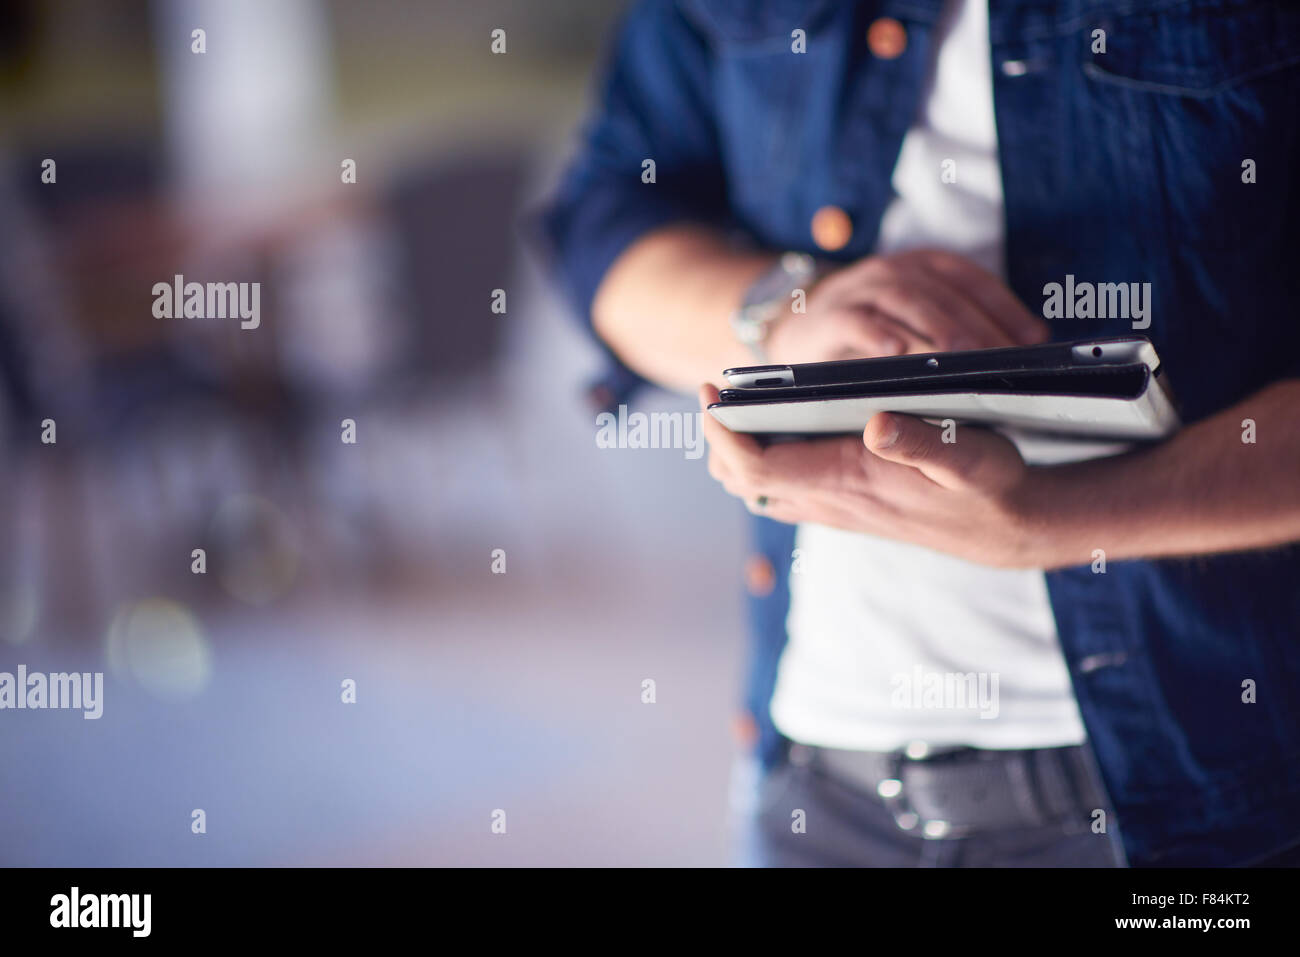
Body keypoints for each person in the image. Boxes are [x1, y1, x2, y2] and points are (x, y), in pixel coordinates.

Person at [541, 0, 1300, 867]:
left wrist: (1067, 518)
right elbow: (606, 221)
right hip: (811, 789)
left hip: (1205, 812)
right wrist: (786, 311)